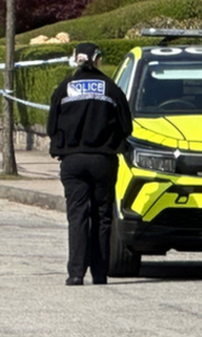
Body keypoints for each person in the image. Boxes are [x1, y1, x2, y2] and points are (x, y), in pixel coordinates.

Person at [47, 42, 133, 286]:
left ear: (76, 59)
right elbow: (126, 127)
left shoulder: (64, 88)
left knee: (77, 216)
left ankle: (75, 274)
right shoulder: (111, 88)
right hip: (102, 160)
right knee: (103, 215)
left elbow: (51, 126)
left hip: (72, 161)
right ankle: (99, 273)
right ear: (97, 59)